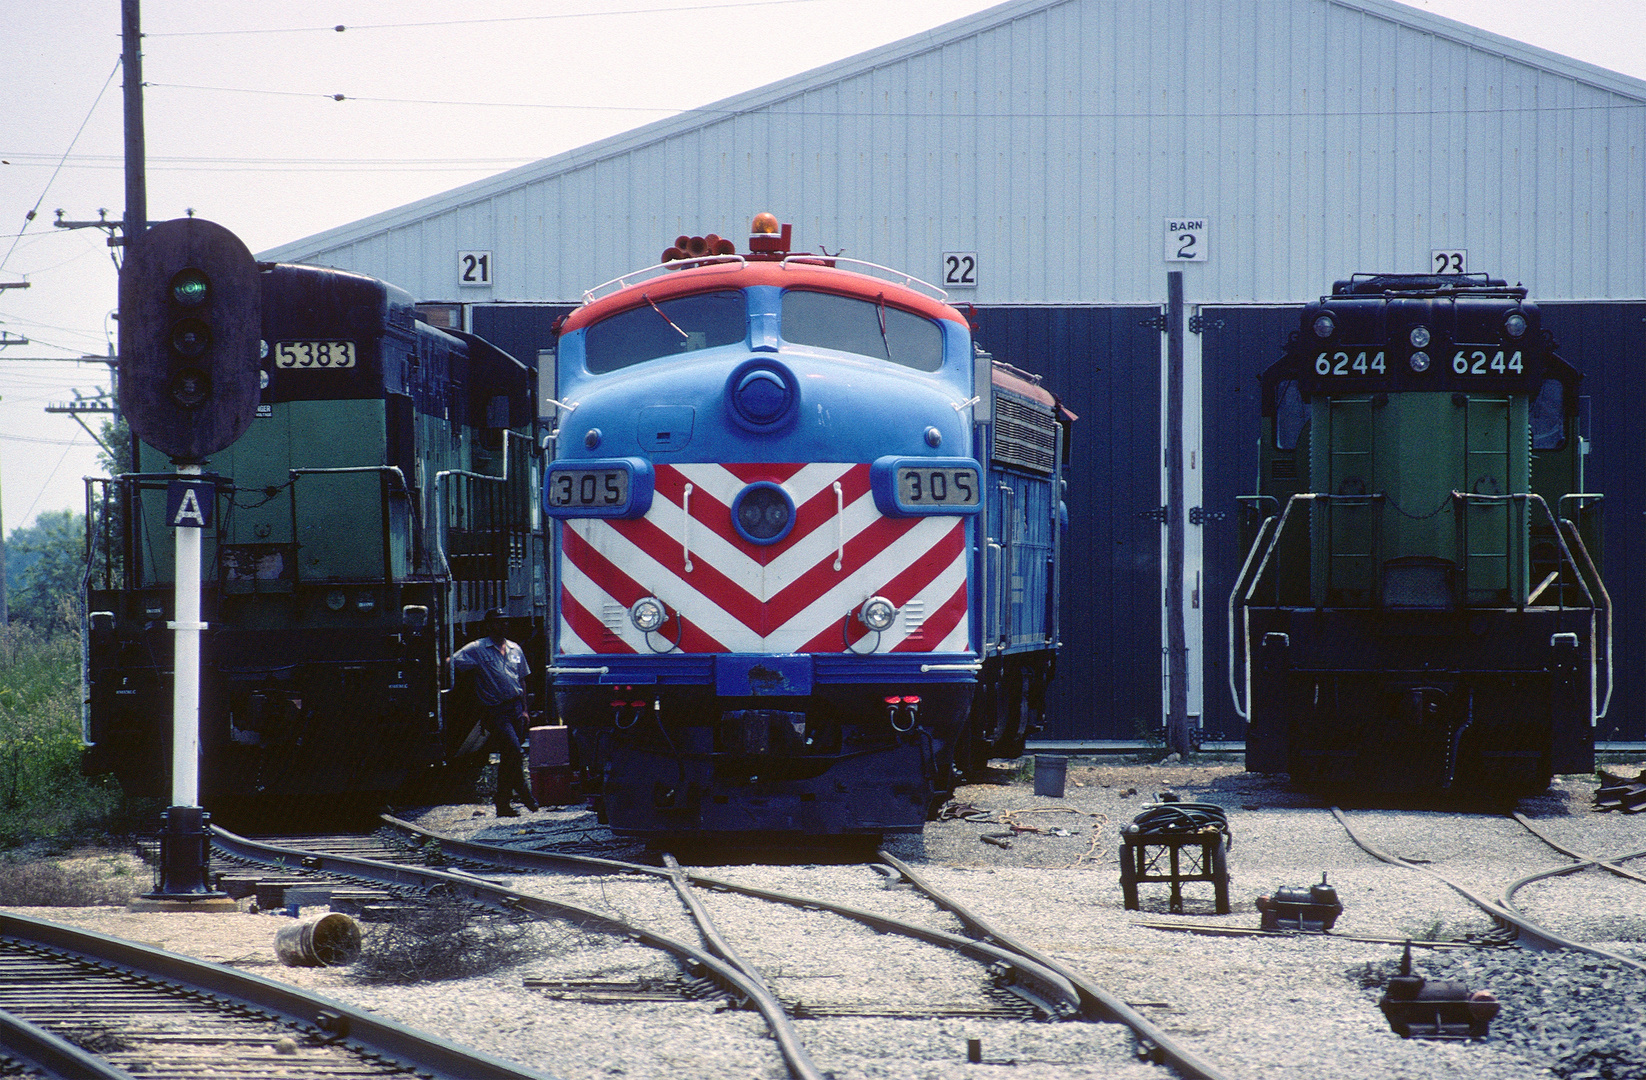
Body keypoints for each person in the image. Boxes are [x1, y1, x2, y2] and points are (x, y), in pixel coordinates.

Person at [451, 608, 539, 817]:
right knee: (514, 750)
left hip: (516, 707)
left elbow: (522, 680)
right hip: (496, 709)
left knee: (509, 757)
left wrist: (525, 710)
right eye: (499, 622)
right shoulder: (477, 648)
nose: (504, 625)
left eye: (506, 621)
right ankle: (524, 793)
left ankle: (503, 805)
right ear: (489, 625)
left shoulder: (515, 649)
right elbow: (452, 662)